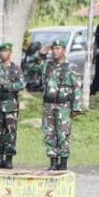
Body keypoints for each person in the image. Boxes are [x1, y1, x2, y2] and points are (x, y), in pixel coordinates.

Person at [40, 39, 78, 170]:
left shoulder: (70, 67)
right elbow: (31, 66)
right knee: (49, 133)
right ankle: (53, 162)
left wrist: (76, 107)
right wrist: (41, 54)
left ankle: (63, 163)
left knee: (63, 133)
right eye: (53, 49)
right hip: (49, 105)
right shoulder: (47, 65)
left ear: (64, 50)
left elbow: (76, 87)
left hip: (63, 106)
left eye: (58, 49)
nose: (55, 52)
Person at [0, 42, 23, 169]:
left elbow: (21, 85)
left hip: (10, 105)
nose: (3, 54)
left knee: (10, 132)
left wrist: (6, 84)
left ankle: (9, 158)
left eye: (6, 51)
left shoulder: (15, 69)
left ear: (10, 53)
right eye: (1, 51)